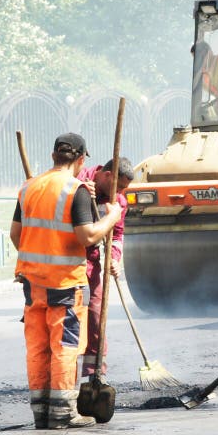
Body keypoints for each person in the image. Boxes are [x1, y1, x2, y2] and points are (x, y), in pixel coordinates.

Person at [10, 133, 122, 429]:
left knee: (38, 346)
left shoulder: (28, 187)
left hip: (32, 285)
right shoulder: (76, 191)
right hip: (66, 285)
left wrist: (38, 257)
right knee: (65, 346)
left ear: (53, 156)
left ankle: (41, 410)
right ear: (82, 159)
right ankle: (62, 412)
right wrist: (112, 217)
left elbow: (15, 235)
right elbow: (87, 236)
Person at [77, 158, 135, 383]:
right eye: (119, 186)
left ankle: (95, 374)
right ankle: (62, 376)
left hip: (91, 264)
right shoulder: (80, 180)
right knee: (70, 323)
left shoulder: (118, 201)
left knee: (96, 316)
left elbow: (117, 234)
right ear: (107, 175)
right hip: (67, 261)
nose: (120, 192)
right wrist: (79, 191)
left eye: (124, 189)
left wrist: (115, 257)